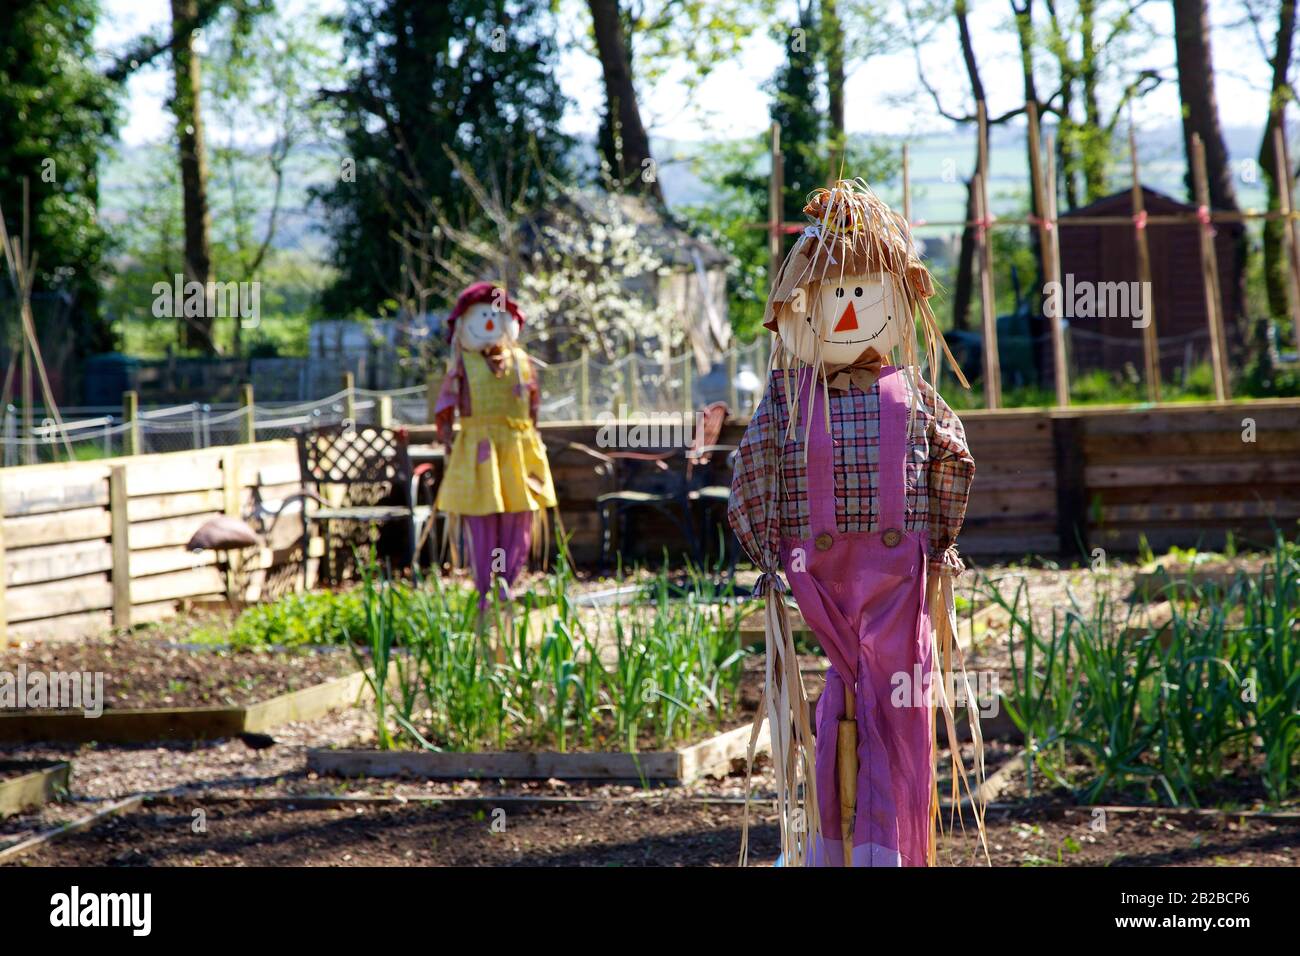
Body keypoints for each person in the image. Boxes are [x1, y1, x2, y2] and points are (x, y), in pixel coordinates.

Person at [728, 180, 987, 867]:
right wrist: (768, 554)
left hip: (903, 576)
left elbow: (951, 463)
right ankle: (842, 847)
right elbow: (751, 477)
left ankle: (880, 849)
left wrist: (939, 549)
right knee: (848, 699)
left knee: (898, 707)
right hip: (816, 576)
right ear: (800, 309)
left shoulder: (914, 394)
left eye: (863, 296)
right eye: (833, 297)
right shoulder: (788, 397)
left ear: (895, 304)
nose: (846, 311)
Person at [434, 282, 557, 610]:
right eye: (481, 315)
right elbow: (444, 405)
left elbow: (533, 405)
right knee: (481, 517)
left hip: (518, 451)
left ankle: (507, 582)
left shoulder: (522, 361)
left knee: (518, 516)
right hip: (478, 454)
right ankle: (484, 587)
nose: (489, 321)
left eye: (495, 314)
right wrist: (446, 438)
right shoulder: (462, 365)